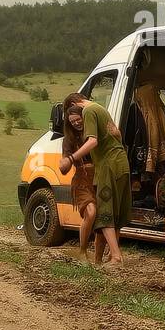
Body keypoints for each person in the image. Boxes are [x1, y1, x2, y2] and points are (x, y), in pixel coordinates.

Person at [61, 93, 131, 268]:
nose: (77, 121)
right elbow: (117, 135)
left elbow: (92, 141)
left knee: (104, 213)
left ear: (75, 105)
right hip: (119, 164)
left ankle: (115, 257)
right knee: (108, 213)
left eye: (77, 116)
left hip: (107, 168)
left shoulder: (90, 111)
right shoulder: (101, 110)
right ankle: (92, 256)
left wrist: (71, 158)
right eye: (72, 119)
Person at [58, 106, 96, 261]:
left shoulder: (93, 132)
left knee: (103, 216)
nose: (76, 123)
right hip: (82, 179)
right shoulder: (68, 140)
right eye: (72, 121)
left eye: (78, 119)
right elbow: (64, 167)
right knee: (91, 212)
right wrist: (65, 163)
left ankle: (103, 254)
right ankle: (82, 251)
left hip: (100, 177)